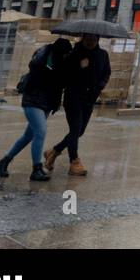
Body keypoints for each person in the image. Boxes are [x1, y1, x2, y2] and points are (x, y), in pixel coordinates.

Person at [0, 37, 72, 181]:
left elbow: (63, 82)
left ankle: (4, 161)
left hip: (47, 103)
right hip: (33, 99)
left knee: (28, 136)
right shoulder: (45, 57)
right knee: (41, 132)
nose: (66, 55)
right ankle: (36, 169)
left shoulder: (62, 63)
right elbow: (38, 69)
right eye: (65, 53)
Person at [44, 34, 111, 177]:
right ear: (83, 39)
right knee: (75, 128)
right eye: (87, 40)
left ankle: (54, 150)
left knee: (80, 131)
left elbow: (106, 73)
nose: (90, 43)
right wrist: (79, 66)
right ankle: (74, 162)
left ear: (97, 40)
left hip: (90, 99)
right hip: (73, 97)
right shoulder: (74, 54)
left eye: (93, 40)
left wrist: (99, 86)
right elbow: (63, 75)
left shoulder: (103, 55)